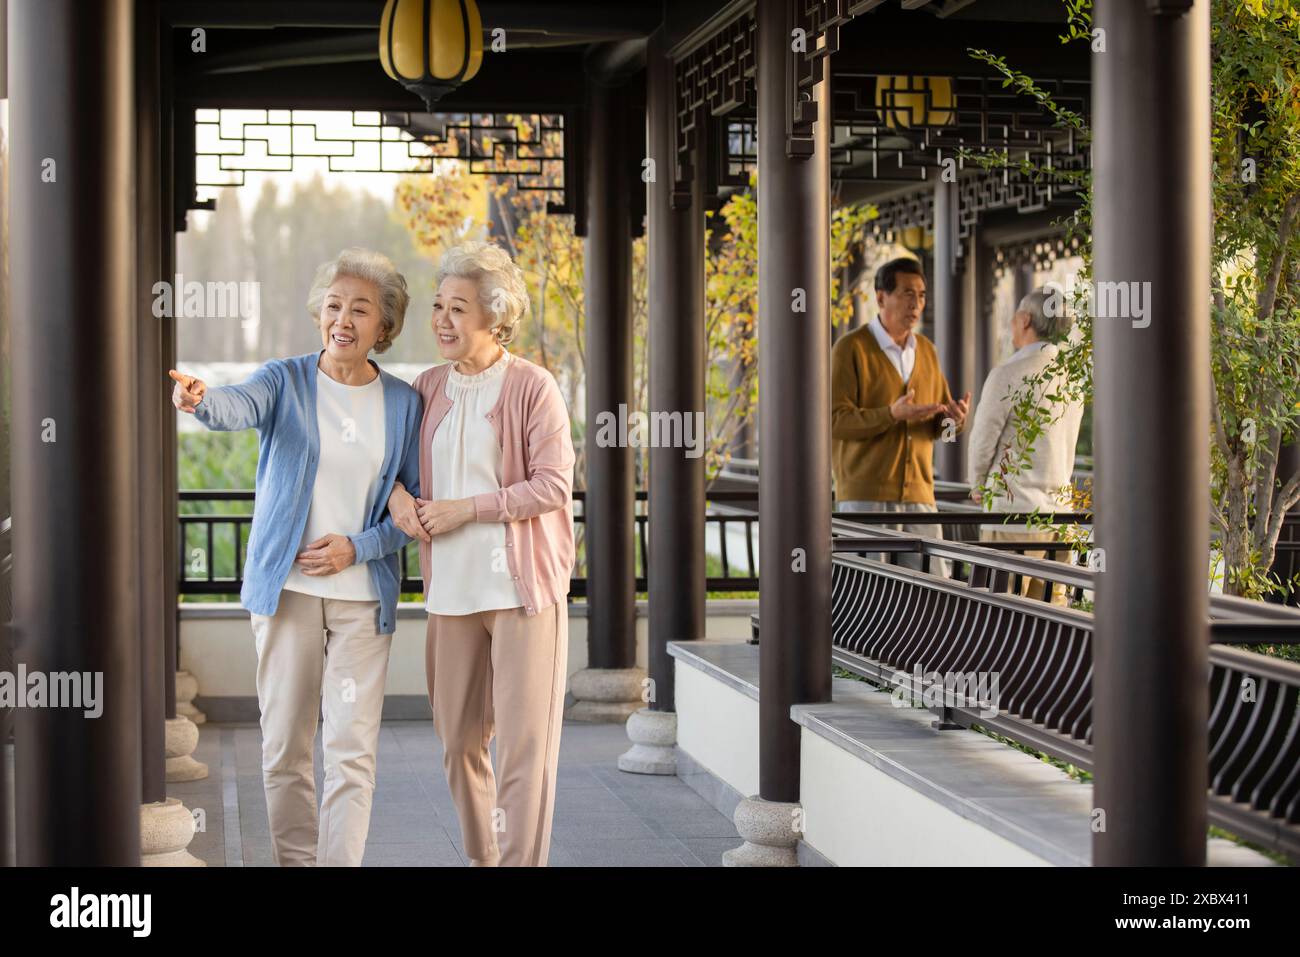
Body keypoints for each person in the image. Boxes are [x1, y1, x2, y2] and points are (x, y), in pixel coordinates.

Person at [169, 248, 424, 866]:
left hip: (364, 601)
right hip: (288, 596)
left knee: (351, 751)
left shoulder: (403, 403)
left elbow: (412, 514)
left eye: (361, 310)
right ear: (318, 314)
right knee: (285, 746)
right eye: (334, 305)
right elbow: (239, 404)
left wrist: (355, 548)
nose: (343, 318)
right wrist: (203, 399)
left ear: (383, 328)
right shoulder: (284, 380)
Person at [386, 240, 575, 867]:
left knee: (524, 748)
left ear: (494, 317)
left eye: (458, 308)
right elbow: (391, 467)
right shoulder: (426, 387)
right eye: (438, 306)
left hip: (521, 593)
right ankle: (483, 858)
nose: (442, 319)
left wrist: (467, 508)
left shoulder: (533, 386)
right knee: (457, 740)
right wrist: (397, 500)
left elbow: (552, 484)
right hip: (451, 592)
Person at [831, 257, 971, 576]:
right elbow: (835, 421)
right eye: (908, 293)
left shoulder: (927, 351)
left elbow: (940, 431)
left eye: (922, 295)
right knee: (868, 593)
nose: (917, 303)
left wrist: (955, 421)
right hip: (865, 497)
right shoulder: (850, 349)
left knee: (933, 589)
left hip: (921, 494)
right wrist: (891, 414)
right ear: (881, 297)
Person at [967, 287, 1084, 602]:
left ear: (1025, 320)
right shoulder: (1071, 380)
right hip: (1059, 517)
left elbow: (983, 439)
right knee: (1052, 618)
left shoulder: (1008, 375)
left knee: (1001, 612)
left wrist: (977, 484)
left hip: (1013, 512)